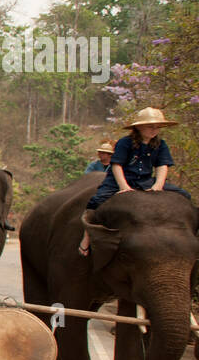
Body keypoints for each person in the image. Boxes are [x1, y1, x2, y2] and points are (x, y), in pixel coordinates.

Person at [79, 108, 189, 256]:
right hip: (118, 180)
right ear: (139, 127)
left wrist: (158, 185)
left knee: (184, 195)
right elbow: (117, 165)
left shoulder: (160, 144)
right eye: (150, 126)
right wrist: (123, 186)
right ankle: (86, 236)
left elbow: (162, 165)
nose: (154, 130)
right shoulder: (125, 143)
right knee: (96, 201)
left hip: (145, 181)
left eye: (157, 127)